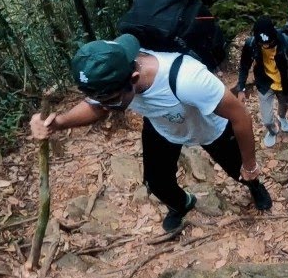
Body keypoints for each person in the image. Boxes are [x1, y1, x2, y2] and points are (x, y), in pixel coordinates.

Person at [29, 33, 272, 234]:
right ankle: (182, 204)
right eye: (102, 99)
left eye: (113, 100)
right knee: (157, 183)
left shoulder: (188, 78)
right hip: (162, 127)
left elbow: (241, 116)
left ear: (133, 78)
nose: (108, 107)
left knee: (239, 171)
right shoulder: (110, 73)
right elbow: (97, 105)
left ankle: (254, 186)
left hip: (210, 128)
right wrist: (58, 123)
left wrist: (250, 165)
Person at [235, 17, 288, 149]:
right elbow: (244, 66)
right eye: (262, 44)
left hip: (286, 84)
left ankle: (282, 117)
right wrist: (241, 88)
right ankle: (272, 130)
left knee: (283, 106)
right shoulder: (252, 44)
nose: (266, 46)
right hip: (265, 84)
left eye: (269, 42)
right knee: (267, 120)